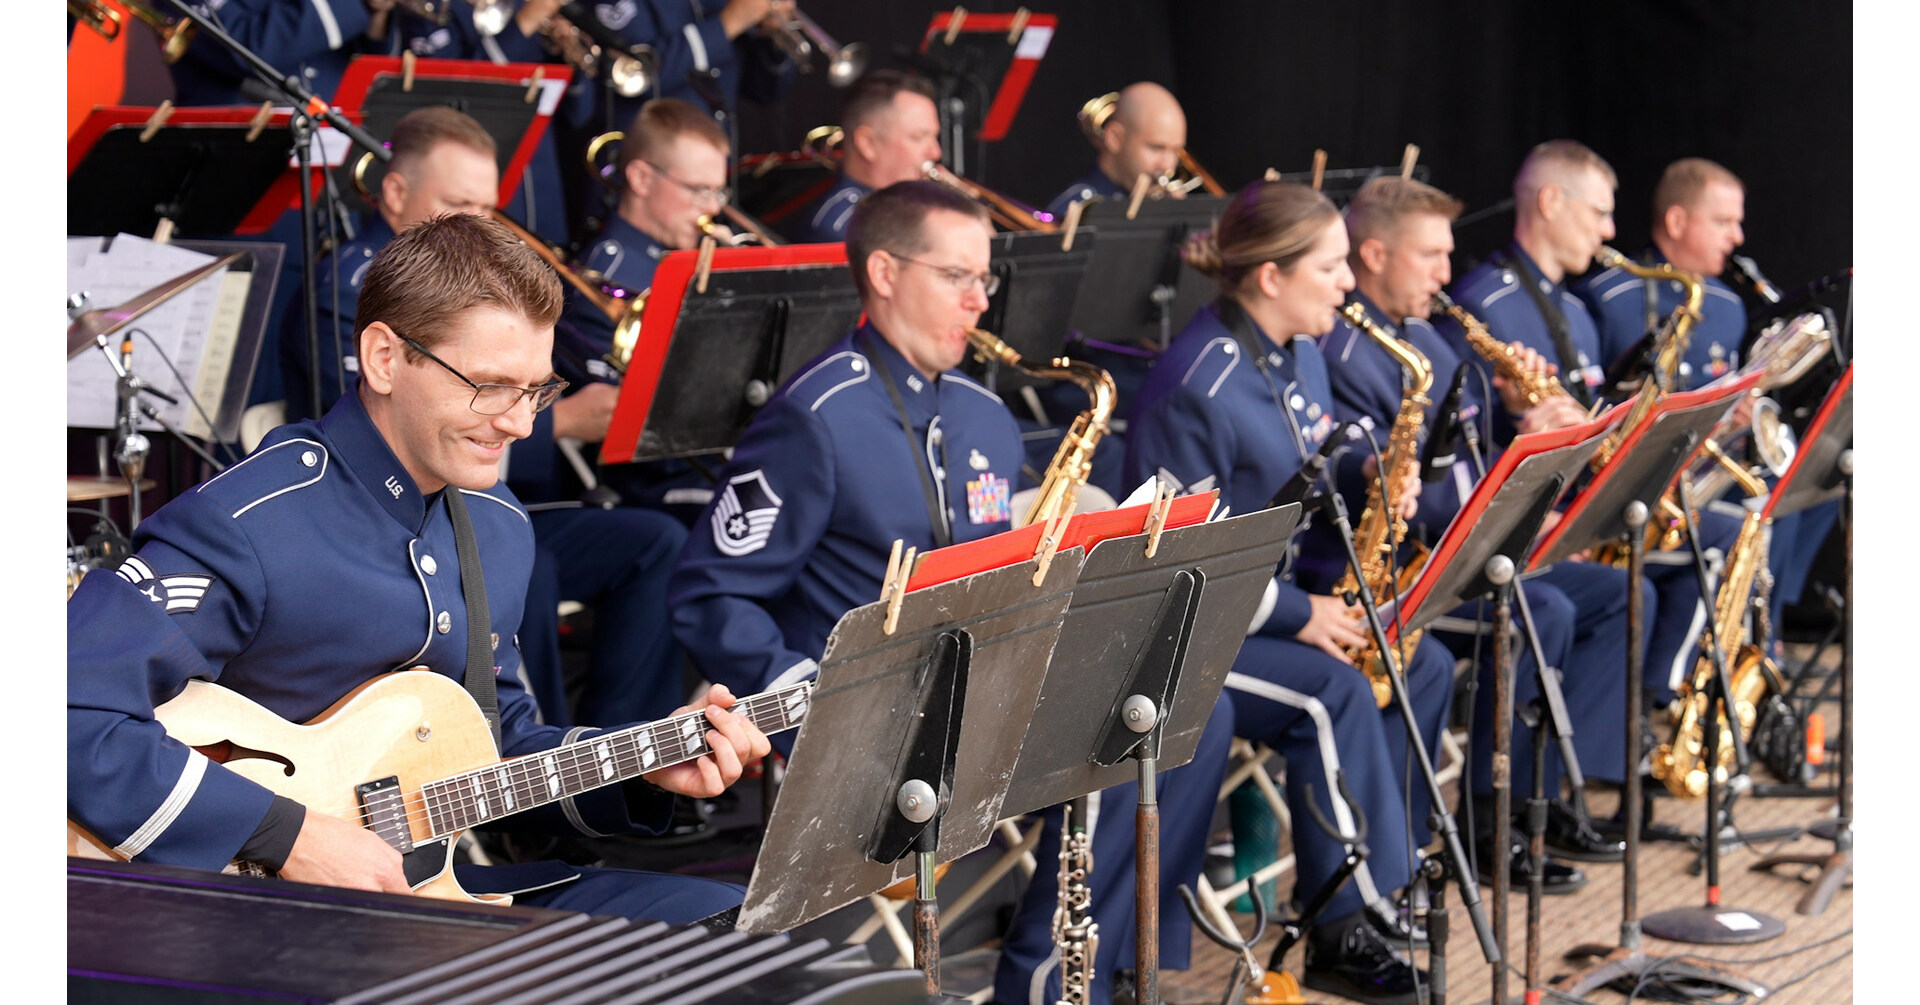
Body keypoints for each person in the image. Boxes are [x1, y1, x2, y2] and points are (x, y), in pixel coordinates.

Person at [67, 213, 769, 923]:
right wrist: (287, 833)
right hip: (243, 913)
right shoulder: (253, 519)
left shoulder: (499, 525)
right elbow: (61, 706)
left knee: (734, 925)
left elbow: (494, 747)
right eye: (490, 385)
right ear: (383, 358)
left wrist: (641, 769)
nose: (521, 424)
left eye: (536, 390)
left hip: (421, 895)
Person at [668, 180, 1233, 1005]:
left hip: (978, 700)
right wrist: (802, 699)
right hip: (870, 726)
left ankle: (1073, 974)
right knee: (1125, 738)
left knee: (1182, 710)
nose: (980, 301)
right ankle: (1046, 987)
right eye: (958, 277)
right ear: (887, 272)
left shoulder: (984, 414)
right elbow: (708, 594)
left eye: (985, 282)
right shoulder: (815, 415)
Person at [1123, 180, 1457, 1003]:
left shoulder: (1298, 346)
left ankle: (1387, 882)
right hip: (1179, 631)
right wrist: (1305, 614)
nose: (1348, 284)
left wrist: (1376, 473)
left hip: (1256, 608)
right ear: (1270, 276)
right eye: (1332, 266)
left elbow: (1306, 461)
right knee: (1328, 694)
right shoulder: (1194, 381)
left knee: (1421, 662)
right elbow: (1179, 563)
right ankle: (1349, 922)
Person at [278, 105, 690, 735]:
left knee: (656, 542)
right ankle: (529, 812)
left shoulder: (488, 296)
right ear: (394, 192)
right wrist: (563, 424)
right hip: (388, 523)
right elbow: (392, 420)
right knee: (531, 569)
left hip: (487, 508)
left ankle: (614, 751)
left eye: (488, 209)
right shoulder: (357, 284)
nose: (481, 227)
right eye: (458, 205)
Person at [1322, 175, 1636, 886]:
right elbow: (1415, 499)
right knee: (1539, 609)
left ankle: (1543, 798)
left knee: (1612, 591)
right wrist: (1517, 458)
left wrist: (1533, 431)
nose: (1445, 274)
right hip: (1400, 565)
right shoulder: (1346, 356)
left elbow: (1469, 468)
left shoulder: (1432, 336)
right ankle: (1490, 822)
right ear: (1372, 254)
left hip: (1464, 547)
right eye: (1430, 256)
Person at [1435, 141, 1741, 706]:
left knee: (1718, 529)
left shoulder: (1576, 308)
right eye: (1598, 212)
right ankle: (1649, 711)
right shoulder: (1483, 304)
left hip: (1574, 506)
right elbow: (1462, 449)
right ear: (1551, 201)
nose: (1607, 231)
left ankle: (1638, 721)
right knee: (1668, 566)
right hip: (1523, 521)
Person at [1571, 157, 1839, 639]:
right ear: (1677, 221)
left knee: (1803, 490)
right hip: (1638, 484)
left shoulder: (1729, 305)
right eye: (1723, 222)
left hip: (1703, 473)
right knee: (1743, 520)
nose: (1737, 237)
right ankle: (1675, 685)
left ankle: (1759, 644)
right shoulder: (1608, 298)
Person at [787, 70, 943, 244]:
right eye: (918, 137)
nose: (936, 153)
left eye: (934, 137)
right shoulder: (839, 228)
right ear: (867, 143)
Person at [1043, 81, 1189, 221]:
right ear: (1115, 138)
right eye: (1156, 148)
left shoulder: (1158, 205)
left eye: (1175, 151)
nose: (1167, 166)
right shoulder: (1078, 207)